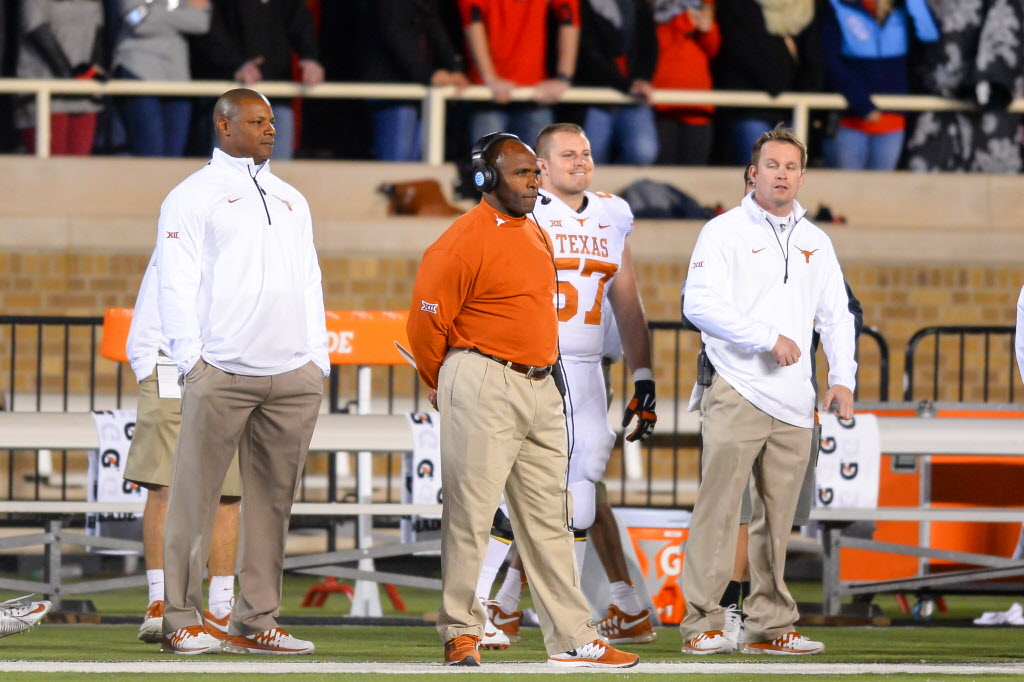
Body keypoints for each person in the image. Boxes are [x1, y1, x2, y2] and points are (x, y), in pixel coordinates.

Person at [406, 131, 639, 669]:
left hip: (540, 384)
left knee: (551, 519)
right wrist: (442, 378)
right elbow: (424, 323)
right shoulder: (461, 239)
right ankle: (461, 631)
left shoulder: (532, 229)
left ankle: (573, 637)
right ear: (486, 178)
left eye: (536, 174)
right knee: (473, 513)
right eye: (521, 174)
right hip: (484, 376)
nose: (535, 184)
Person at [156, 88, 329, 655]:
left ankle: (256, 621)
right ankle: (179, 617)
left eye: (273, 121)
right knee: (194, 498)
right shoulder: (192, 195)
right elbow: (174, 282)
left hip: (292, 373)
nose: (270, 129)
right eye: (256, 121)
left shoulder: (291, 198)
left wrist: (316, 359)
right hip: (221, 370)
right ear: (223, 126)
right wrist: (192, 360)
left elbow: (310, 279)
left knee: (273, 503)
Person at [478, 123, 658, 645]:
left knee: (579, 496)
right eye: (567, 155)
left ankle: (565, 619)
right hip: (528, 364)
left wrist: (642, 376)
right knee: (511, 493)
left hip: (586, 372)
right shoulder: (523, 208)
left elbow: (626, 300)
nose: (580, 161)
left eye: (586, 152)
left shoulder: (612, 213)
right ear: (543, 166)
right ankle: (479, 607)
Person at [680, 125, 856, 655]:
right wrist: (765, 339)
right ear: (752, 173)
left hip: (797, 400)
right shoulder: (723, 231)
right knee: (719, 511)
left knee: (778, 521)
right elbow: (698, 304)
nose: (782, 174)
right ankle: (702, 624)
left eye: (791, 167)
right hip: (736, 386)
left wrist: (843, 378)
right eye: (772, 165)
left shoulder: (816, 240)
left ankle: (769, 627)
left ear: (803, 176)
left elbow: (837, 316)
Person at [123, 254, 241, 643]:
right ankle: (160, 602)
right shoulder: (183, 217)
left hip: (232, 367)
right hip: (170, 363)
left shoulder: (255, 229)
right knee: (165, 488)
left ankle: (221, 609)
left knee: (227, 492)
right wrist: (148, 364)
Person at [191, 0, 324, 160]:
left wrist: (309, 58)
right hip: (233, 101)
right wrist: (237, 65)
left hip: (277, 97)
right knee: (230, 174)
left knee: (277, 175)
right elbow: (209, 33)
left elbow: (301, 24)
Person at [819, 0, 939, 170]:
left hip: (893, 119)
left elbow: (930, 34)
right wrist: (862, 104)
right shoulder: (838, 7)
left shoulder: (901, 10)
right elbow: (830, 62)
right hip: (849, 119)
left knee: (882, 190)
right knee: (846, 190)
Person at [711, 0, 823, 164]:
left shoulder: (804, 7)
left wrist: (804, 91)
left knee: (785, 179)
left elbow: (814, 58)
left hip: (794, 109)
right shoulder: (737, 5)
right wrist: (778, 86)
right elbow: (739, 47)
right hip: (751, 106)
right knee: (760, 174)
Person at [356, 0, 468, 161]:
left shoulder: (424, 4)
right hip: (391, 89)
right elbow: (395, 35)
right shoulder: (390, 5)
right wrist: (428, 74)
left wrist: (456, 69)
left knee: (416, 166)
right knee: (397, 167)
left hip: (416, 90)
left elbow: (436, 31)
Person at [458, 0, 580, 147]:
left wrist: (564, 77)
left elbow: (569, 16)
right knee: (491, 163)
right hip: (487, 95)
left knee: (539, 165)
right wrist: (490, 78)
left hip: (534, 94)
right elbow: (472, 20)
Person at [112, 0, 211, 157]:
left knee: (173, 159)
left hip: (177, 78)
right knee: (150, 154)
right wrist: (180, 16)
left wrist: (154, 12)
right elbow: (137, 22)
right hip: (137, 71)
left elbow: (202, 22)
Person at [15, 0, 107, 155]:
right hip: (45, 92)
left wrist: (90, 74)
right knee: (50, 171)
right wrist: (68, 77)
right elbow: (35, 26)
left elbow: (99, 32)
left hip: (83, 96)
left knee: (80, 170)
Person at [574, 0, 659, 165]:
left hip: (633, 96)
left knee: (642, 152)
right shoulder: (582, 4)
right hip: (594, 96)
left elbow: (649, 44)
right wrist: (627, 86)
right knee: (590, 158)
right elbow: (587, 53)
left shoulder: (637, 4)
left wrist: (642, 79)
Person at [651, 0, 721, 166]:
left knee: (695, 172)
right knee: (663, 171)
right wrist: (684, 22)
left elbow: (714, 49)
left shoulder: (704, 3)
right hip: (663, 106)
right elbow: (652, 45)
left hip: (698, 106)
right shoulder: (653, 7)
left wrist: (708, 30)